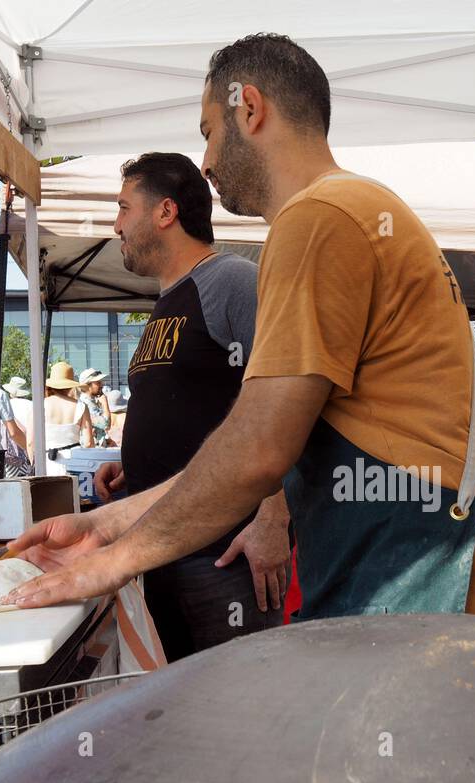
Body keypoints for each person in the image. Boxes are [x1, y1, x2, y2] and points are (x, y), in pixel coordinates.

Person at [5, 34, 475, 625]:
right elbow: (244, 450)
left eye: (209, 131)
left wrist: (114, 561)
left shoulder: (318, 217)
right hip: (427, 579)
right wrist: (103, 524)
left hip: (439, 584)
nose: (207, 162)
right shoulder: (354, 208)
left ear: (251, 108)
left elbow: (257, 451)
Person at [77, 151, 291, 659]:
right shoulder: (167, 303)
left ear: (165, 212)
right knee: (184, 714)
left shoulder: (231, 282)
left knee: (238, 711)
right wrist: (136, 467)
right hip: (163, 547)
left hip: (224, 557)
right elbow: (192, 409)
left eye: (124, 208)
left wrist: (273, 517)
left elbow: (289, 398)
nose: (116, 225)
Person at [77, 368, 113, 446]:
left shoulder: (91, 401)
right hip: (92, 452)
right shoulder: (86, 403)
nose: (102, 385)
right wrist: (105, 402)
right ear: (87, 385)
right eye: (98, 382)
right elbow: (106, 424)